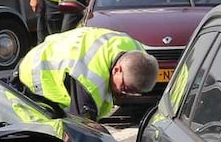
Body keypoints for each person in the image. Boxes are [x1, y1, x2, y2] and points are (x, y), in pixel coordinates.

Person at [15, 24, 159, 122]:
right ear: (117, 69)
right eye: (125, 88)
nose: (125, 95)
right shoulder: (90, 82)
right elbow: (83, 130)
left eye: (134, 92)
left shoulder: (134, 50)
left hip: (56, 62)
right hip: (31, 83)